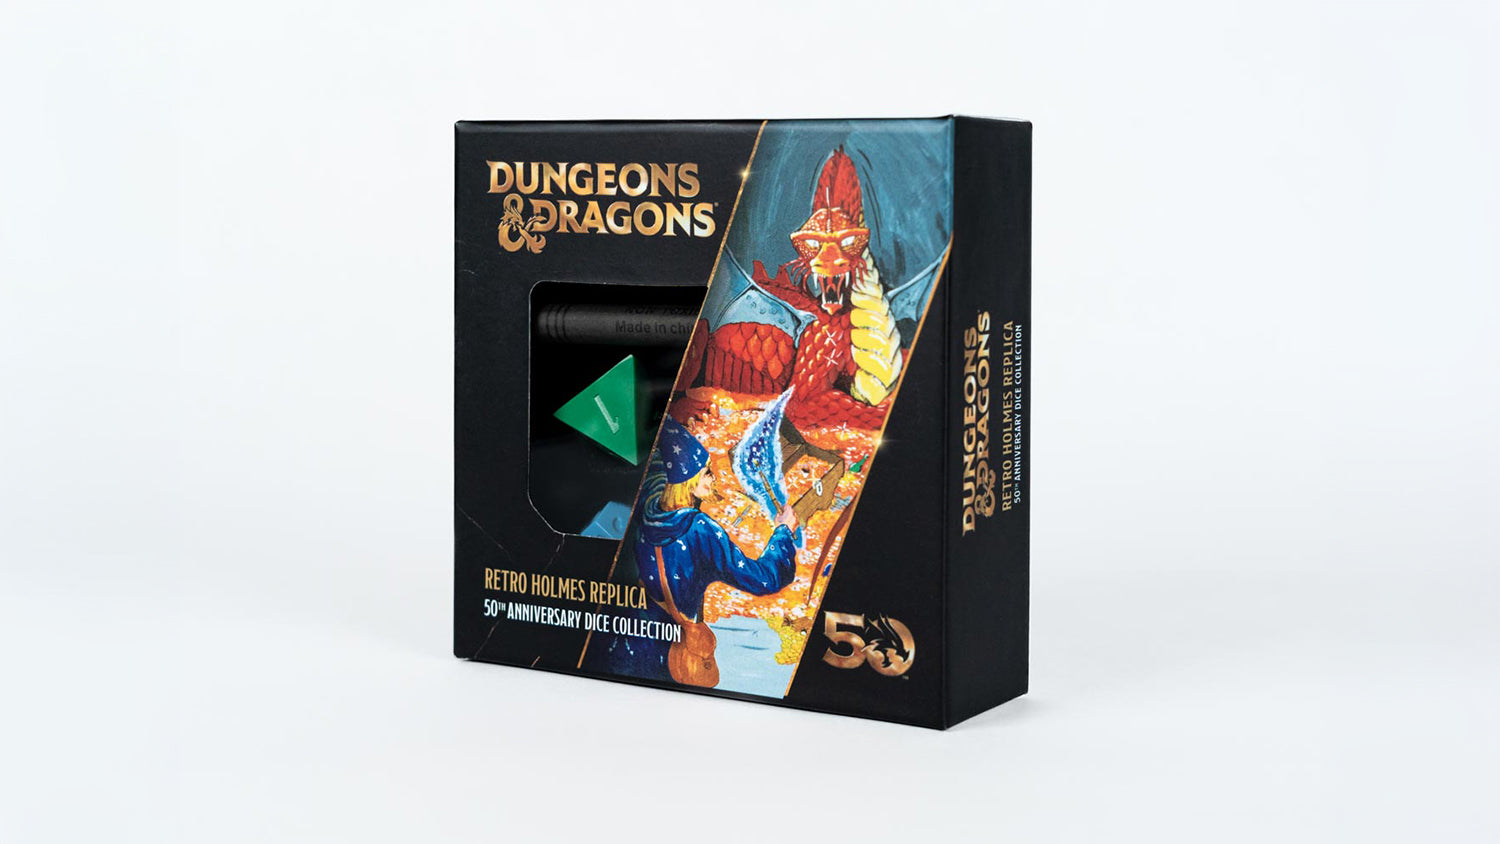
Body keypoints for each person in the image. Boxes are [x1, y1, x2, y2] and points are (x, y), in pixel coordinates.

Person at [586, 417, 798, 686]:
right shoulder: (699, 529)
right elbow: (763, 579)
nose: (713, 477)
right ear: (688, 481)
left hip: (631, 636)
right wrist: (783, 532)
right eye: (706, 472)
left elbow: (658, 468)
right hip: (671, 653)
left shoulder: (649, 503)